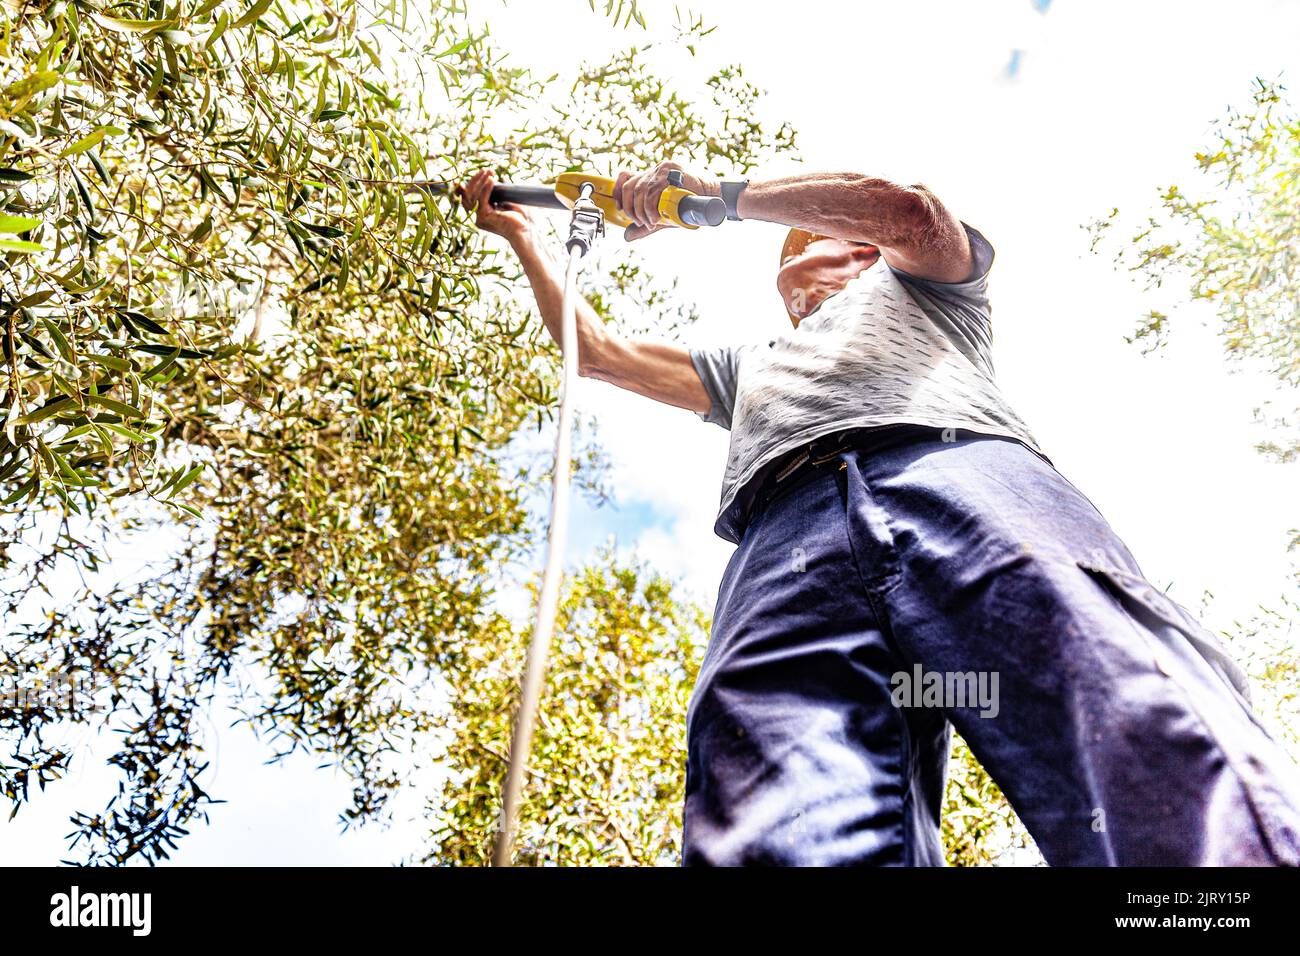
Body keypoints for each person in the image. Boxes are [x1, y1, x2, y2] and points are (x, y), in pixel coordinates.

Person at [459, 163, 1300, 866]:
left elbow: (909, 210)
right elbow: (600, 353)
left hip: (956, 478)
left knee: (1116, 703)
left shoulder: (928, 291)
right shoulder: (748, 365)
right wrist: (522, 237)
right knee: (770, 801)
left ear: (861, 252)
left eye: (810, 238)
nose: (787, 259)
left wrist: (716, 196)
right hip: (782, 543)